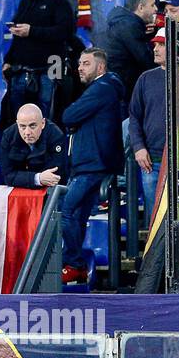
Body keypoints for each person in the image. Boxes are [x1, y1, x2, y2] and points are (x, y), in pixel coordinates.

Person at [59, 48, 126, 285]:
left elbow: (68, 116)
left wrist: (75, 119)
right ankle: (74, 267)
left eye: (86, 63)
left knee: (64, 211)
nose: (80, 68)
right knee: (76, 214)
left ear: (100, 67)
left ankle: (73, 262)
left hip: (92, 164)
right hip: (91, 163)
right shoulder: (104, 88)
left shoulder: (101, 88)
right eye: (79, 63)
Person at [1, 0, 75, 126]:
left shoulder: (59, 0)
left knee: (48, 116)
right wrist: (9, 60)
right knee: (19, 118)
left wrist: (32, 31)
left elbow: (66, 32)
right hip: (22, 70)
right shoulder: (24, 2)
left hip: (51, 66)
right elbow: (19, 36)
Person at [128, 28, 168, 217]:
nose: (155, 49)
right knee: (154, 220)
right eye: (155, 45)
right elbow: (134, 116)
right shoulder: (145, 78)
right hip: (152, 161)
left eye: (161, 44)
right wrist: (138, 147)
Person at [99, 0, 156, 98]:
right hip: (122, 90)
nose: (156, 9)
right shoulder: (129, 26)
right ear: (140, 7)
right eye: (152, 5)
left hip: (114, 84)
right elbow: (147, 61)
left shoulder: (123, 20)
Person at [0, 103, 70, 188]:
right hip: (19, 191)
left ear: (43, 123)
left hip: (50, 191)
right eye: (22, 126)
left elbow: (55, 176)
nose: (27, 132)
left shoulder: (55, 135)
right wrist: (37, 178)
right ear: (17, 124)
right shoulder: (8, 136)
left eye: (32, 126)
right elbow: (8, 176)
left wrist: (22, 178)